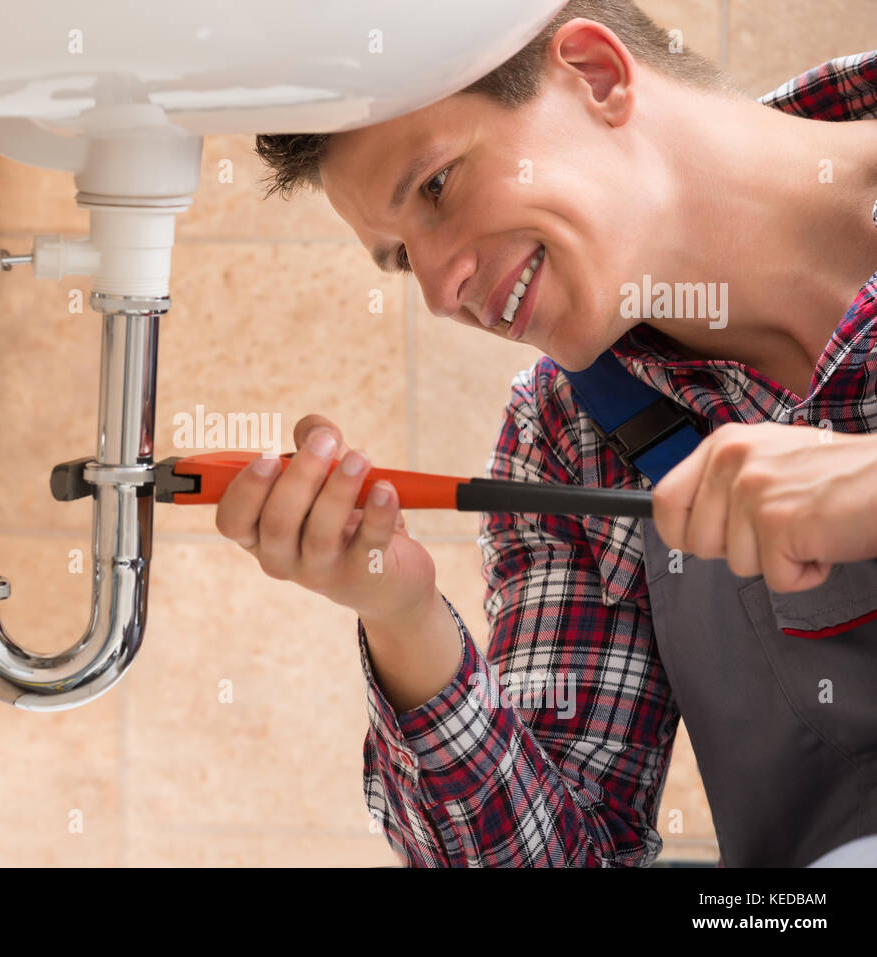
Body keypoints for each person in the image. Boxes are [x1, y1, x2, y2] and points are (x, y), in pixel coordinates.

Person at [217, 0, 877, 866]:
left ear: (596, 75)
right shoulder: (572, 433)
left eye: (436, 186)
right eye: (400, 257)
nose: (440, 292)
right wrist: (404, 616)